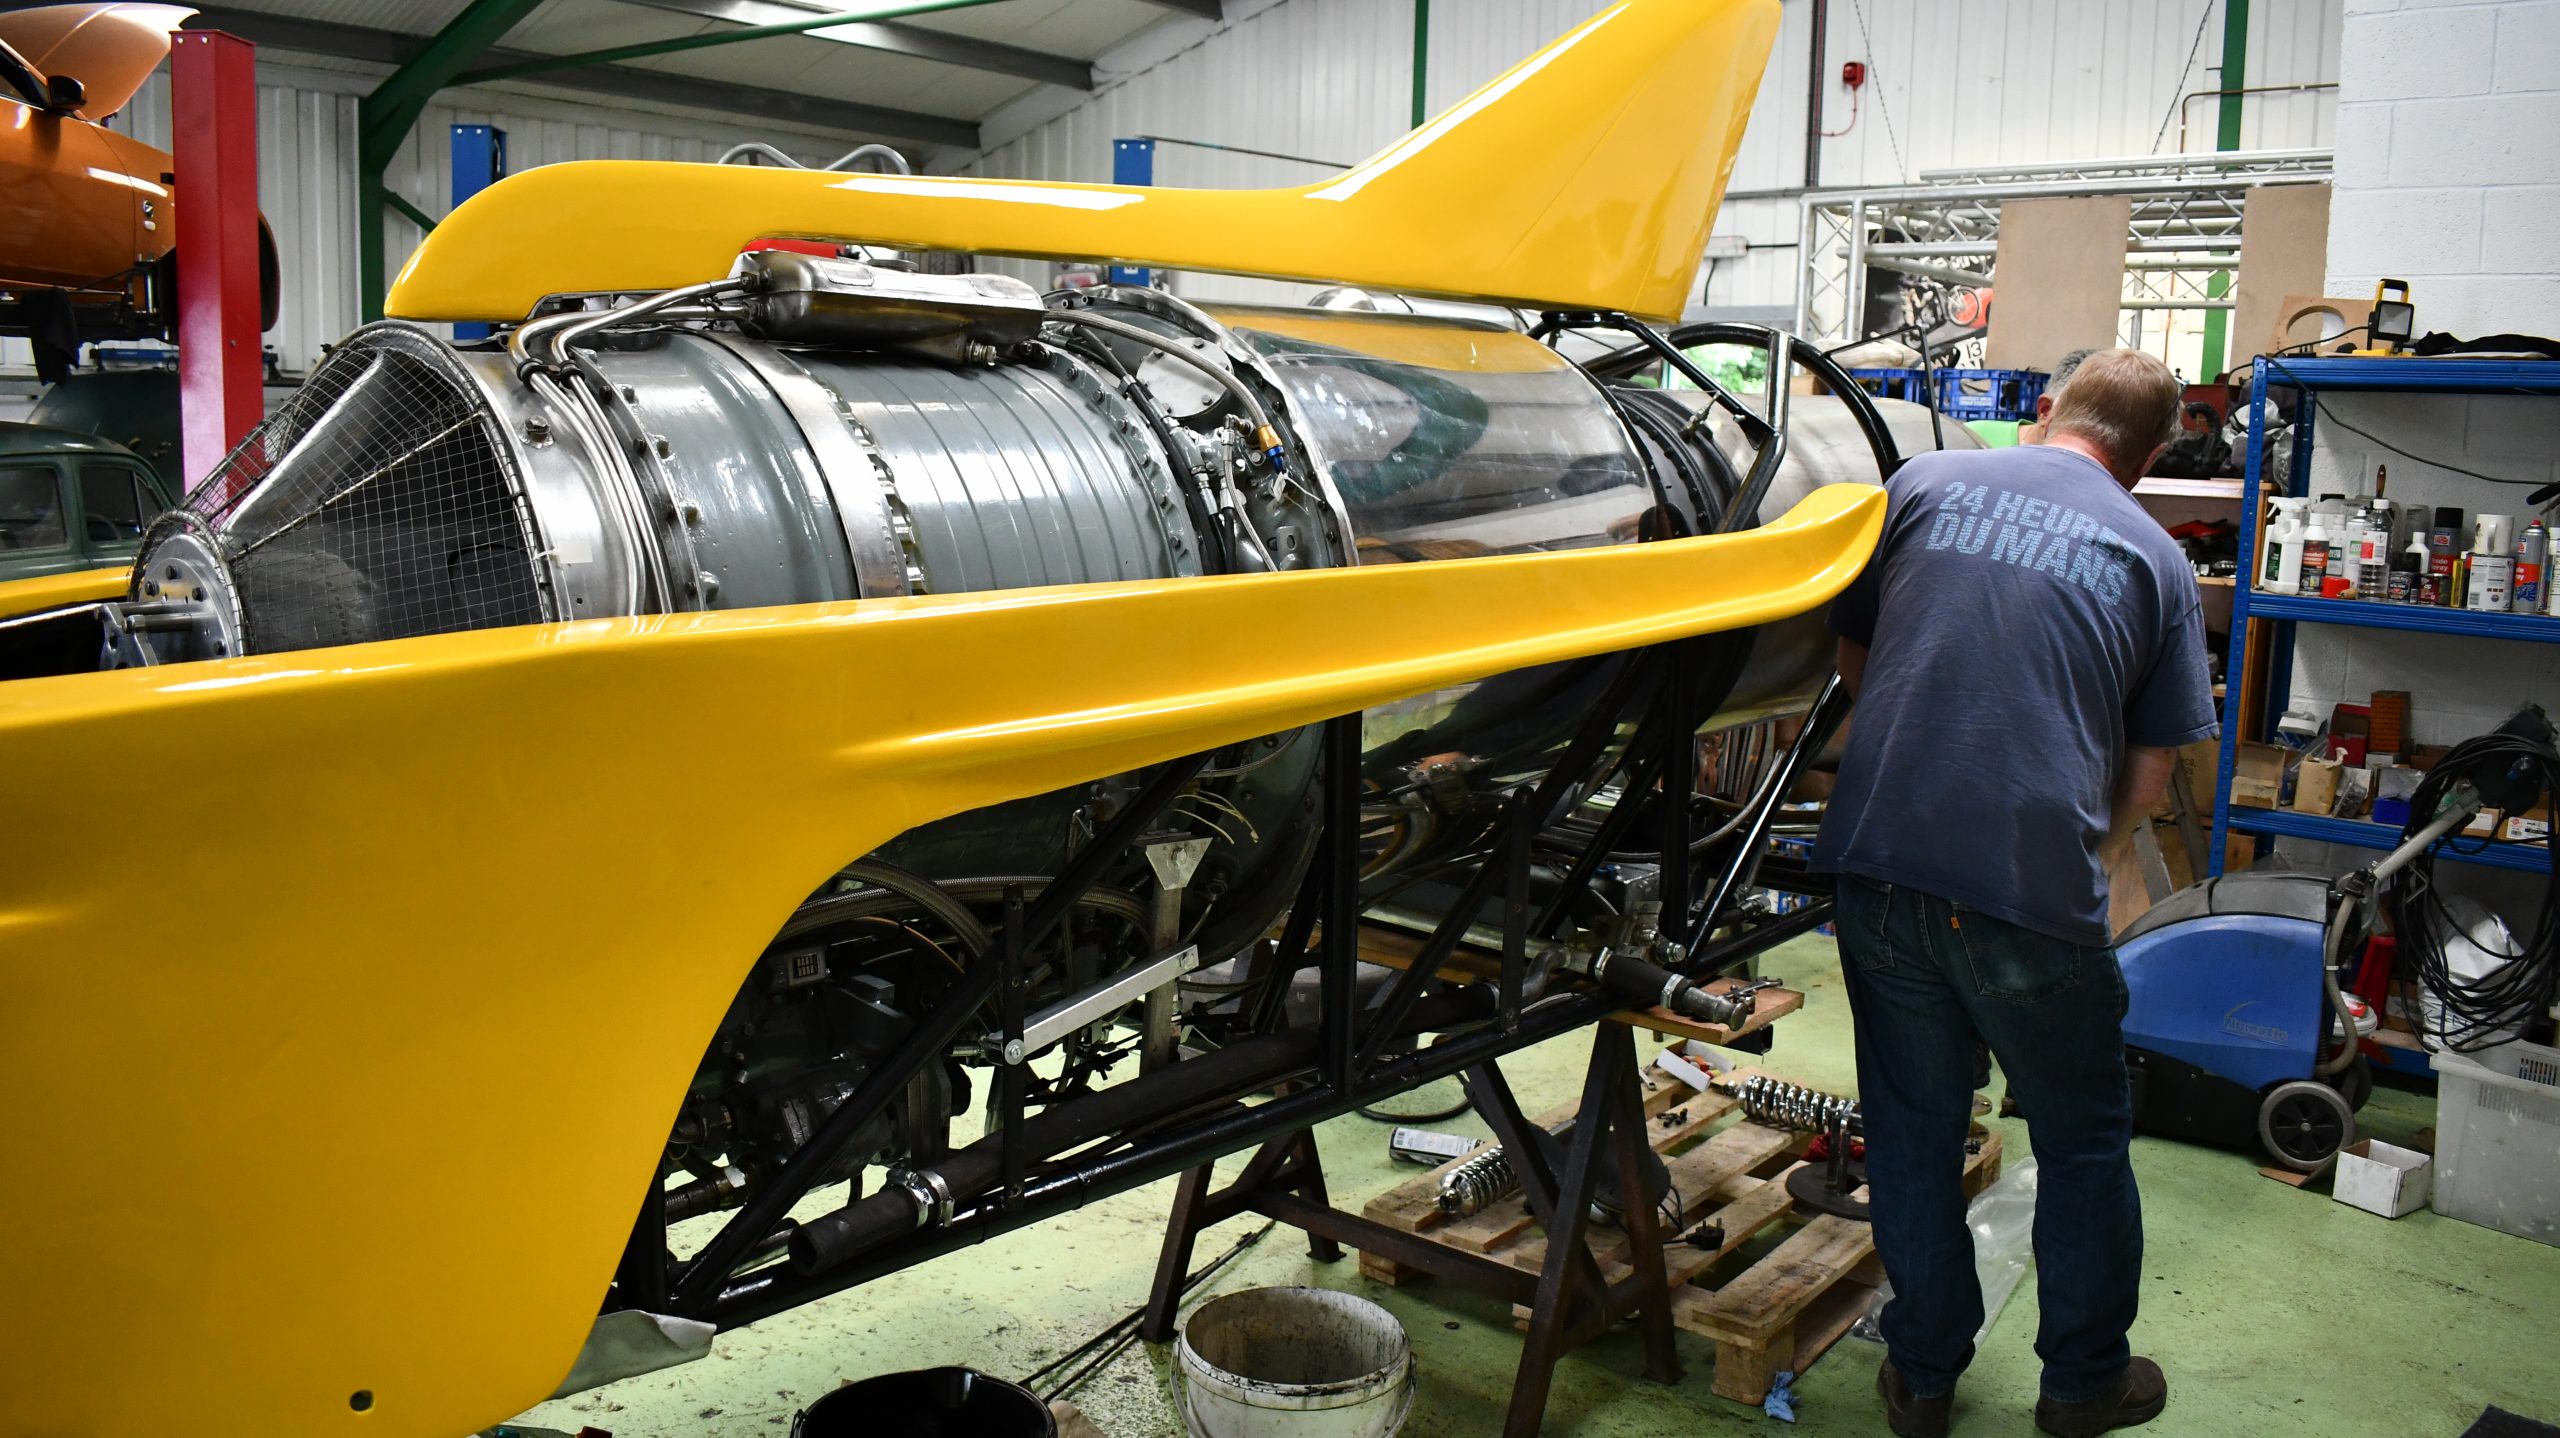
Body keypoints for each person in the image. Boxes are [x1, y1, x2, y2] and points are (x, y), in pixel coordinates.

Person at [1811, 349, 2216, 1438]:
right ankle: (2082, 1386)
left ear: (2044, 411)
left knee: (1912, 1132)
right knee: (2080, 1141)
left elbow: (1854, 653)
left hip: (1879, 859)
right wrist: (2089, 855)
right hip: (2028, 893)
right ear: (2151, 456)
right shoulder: (2156, 558)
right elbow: (2151, 771)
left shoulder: (1922, 484)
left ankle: (1921, 1378)